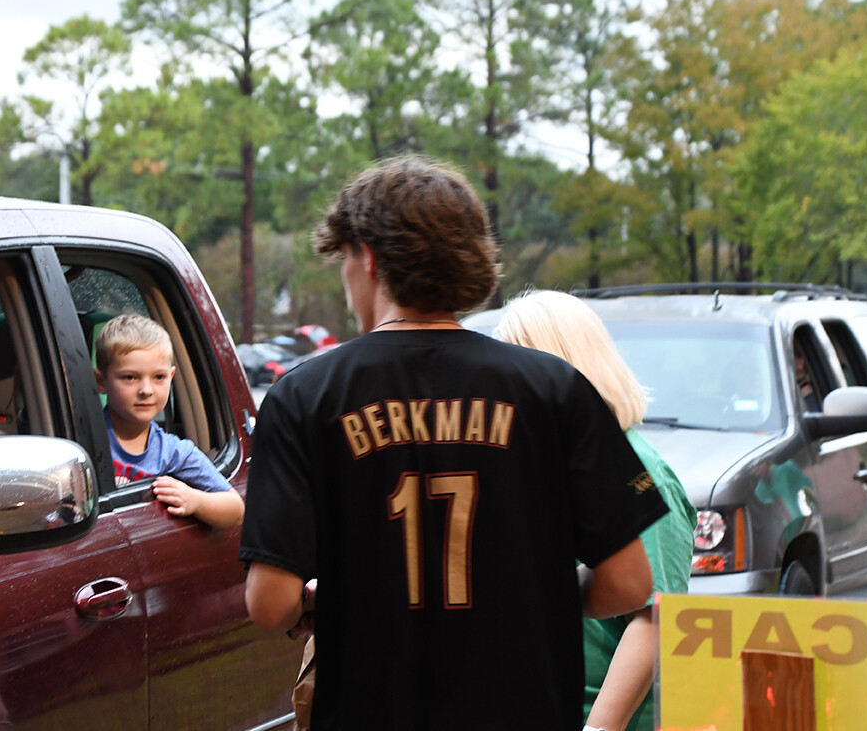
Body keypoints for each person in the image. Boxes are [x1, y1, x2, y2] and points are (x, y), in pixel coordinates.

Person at [238, 155, 668, 729]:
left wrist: (327, 599)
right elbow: (629, 583)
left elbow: (269, 604)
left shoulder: (302, 396)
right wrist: (534, 593)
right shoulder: (556, 389)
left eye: (344, 260)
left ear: (369, 257)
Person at [494, 289, 696, 731]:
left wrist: (599, 728)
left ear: (559, 369)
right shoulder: (551, 464)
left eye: (515, 373)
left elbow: (653, 620)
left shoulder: (639, 470)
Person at [94, 313, 244, 529]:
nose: (146, 390)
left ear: (171, 377)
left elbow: (235, 509)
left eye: (158, 377)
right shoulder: (84, 440)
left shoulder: (173, 452)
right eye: (130, 377)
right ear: (101, 381)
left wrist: (195, 501)